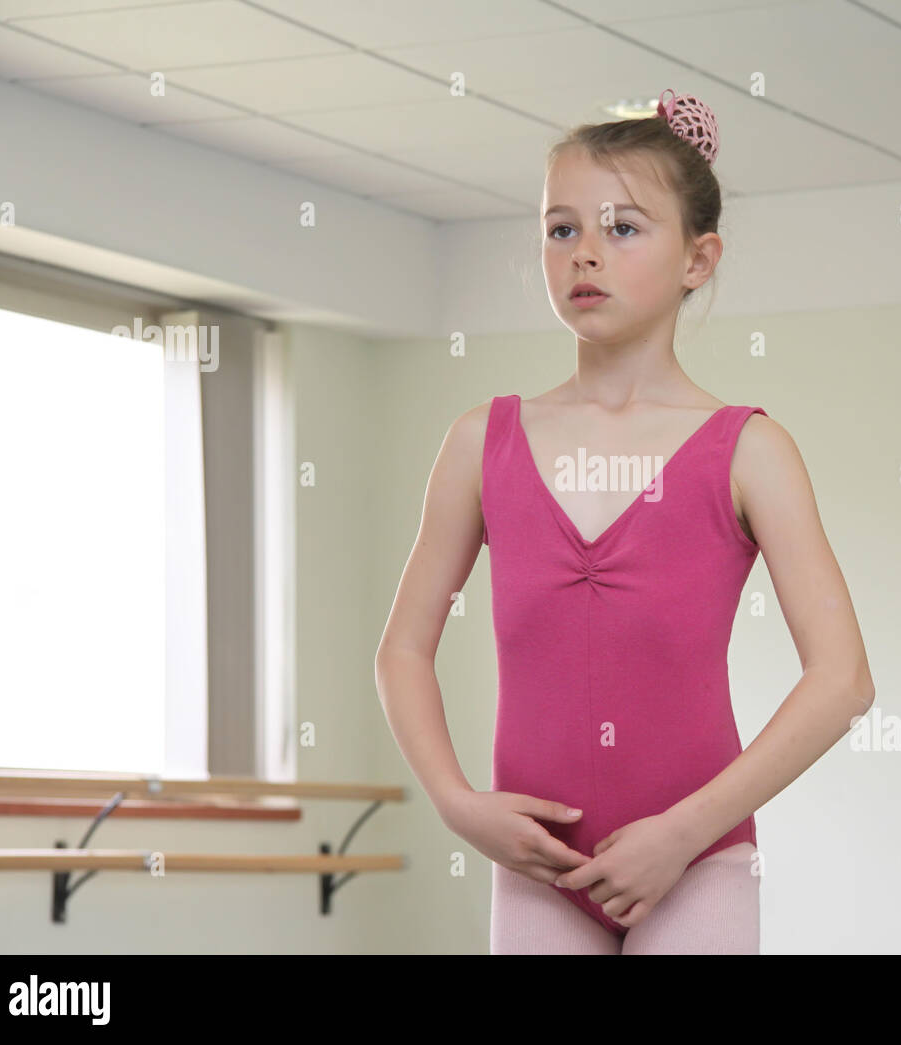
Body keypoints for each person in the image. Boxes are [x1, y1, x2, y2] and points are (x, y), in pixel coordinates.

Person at [374, 89, 875, 954]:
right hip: (538, 868)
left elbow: (842, 681)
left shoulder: (750, 451)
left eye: (623, 228)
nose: (585, 255)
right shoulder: (478, 444)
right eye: (561, 229)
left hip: (699, 861)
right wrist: (460, 804)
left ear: (698, 257)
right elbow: (402, 649)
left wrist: (684, 833)